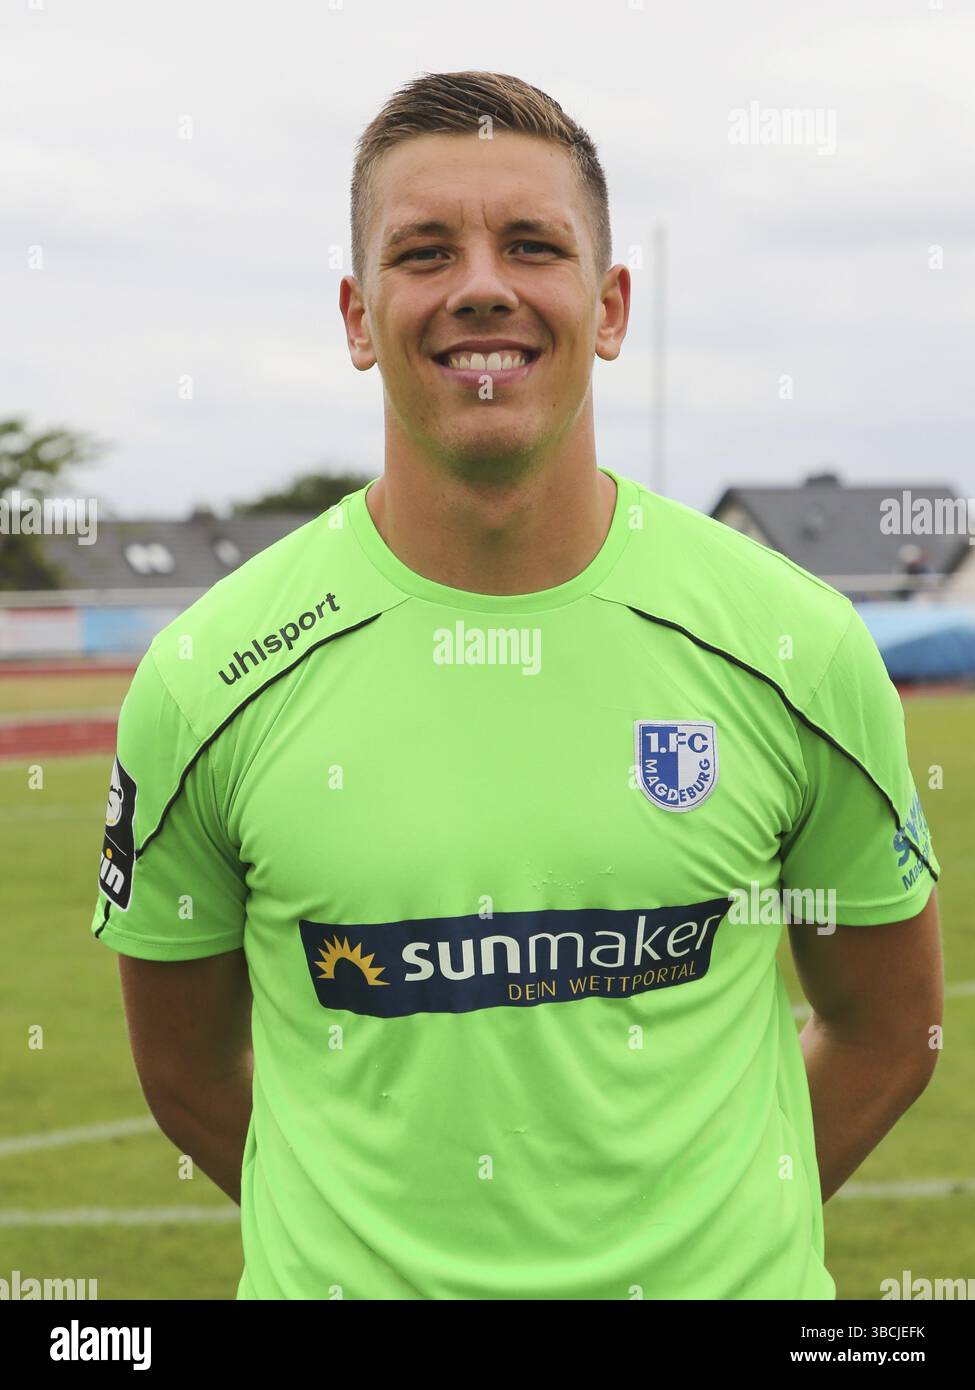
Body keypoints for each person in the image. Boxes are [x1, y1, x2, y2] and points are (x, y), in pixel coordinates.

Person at [90, 70, 943, 1301]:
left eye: (531, 245)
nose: (480, 283)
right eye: (425, 251)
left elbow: (887, 1036)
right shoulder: (206, 675)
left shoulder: (796, 646)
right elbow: (188, 1079)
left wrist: (705, 1248)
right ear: (354, 314)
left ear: (608, 305)